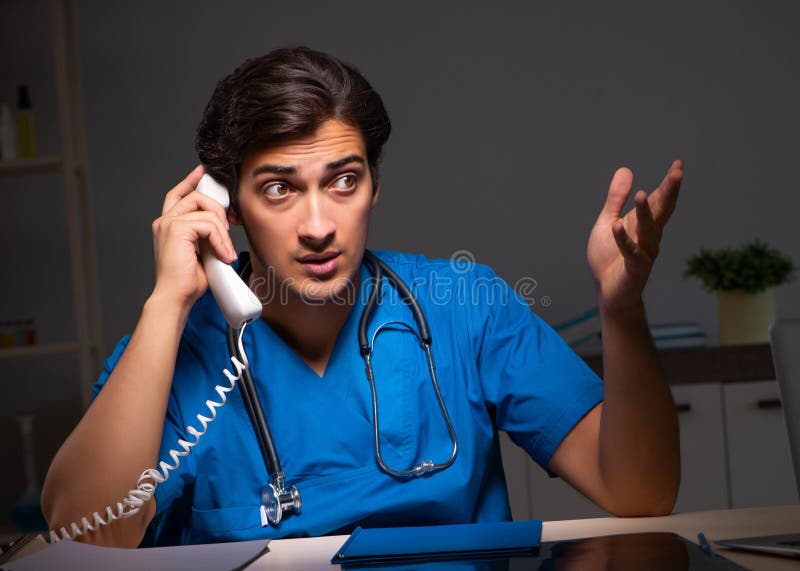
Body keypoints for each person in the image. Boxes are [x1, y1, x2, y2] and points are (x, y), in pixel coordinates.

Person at [41, 47, 682, 547]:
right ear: (226, 206)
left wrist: (621, 312)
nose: (319, 224)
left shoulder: (464, 306)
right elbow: (82, 535)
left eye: (343, 180)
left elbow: (641, 493)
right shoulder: (178, 357)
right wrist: (167, 302)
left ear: (375, 185)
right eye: (279, 188)